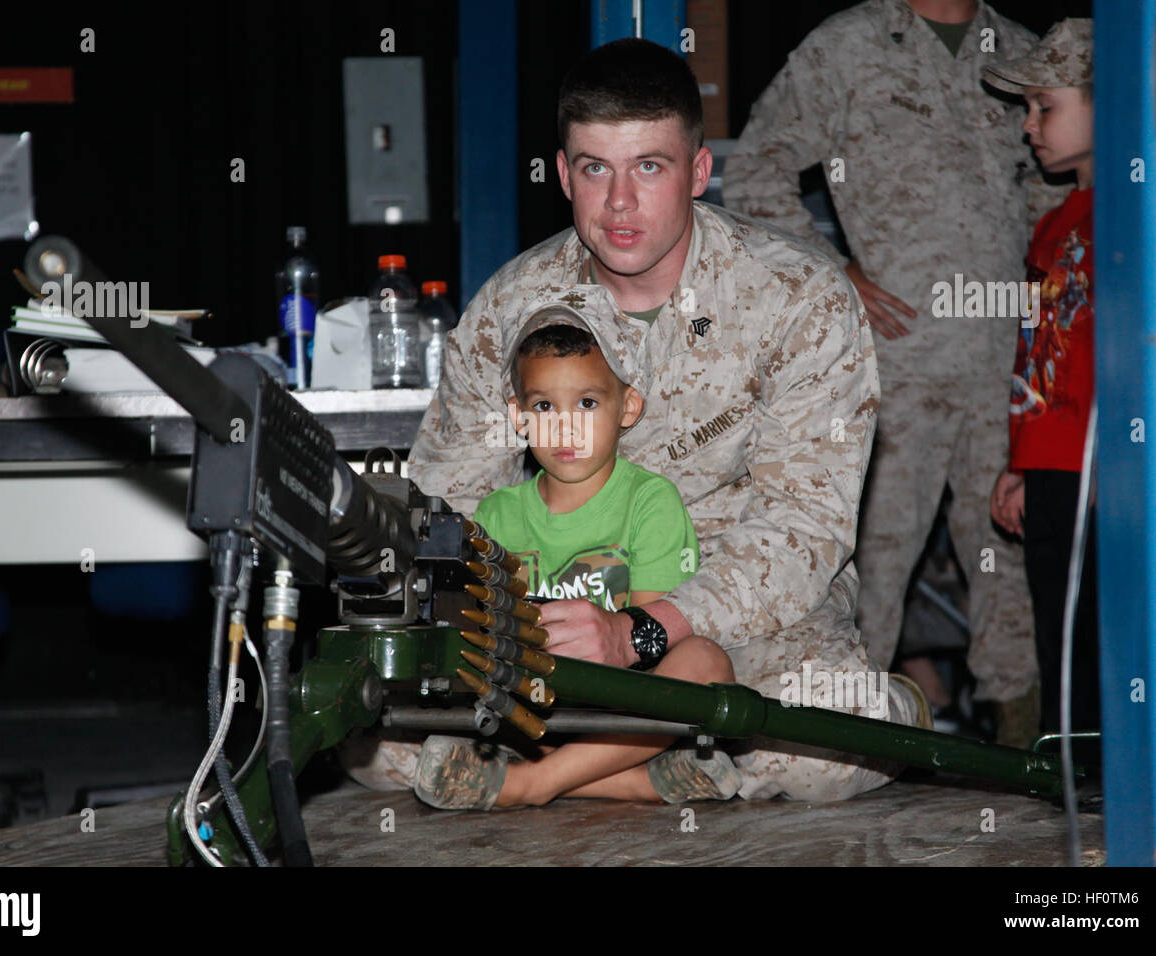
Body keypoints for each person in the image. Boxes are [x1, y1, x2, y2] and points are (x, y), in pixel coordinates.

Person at [340, 37, 930, 806]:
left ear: (698, 171)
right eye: (595, 168)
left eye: (649, 167)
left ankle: (551, 772)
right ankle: (656, 770)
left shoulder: (800, 299)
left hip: (734, 619)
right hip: (553, 614)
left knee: (822, 742)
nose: (620, 203)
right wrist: (507, 623)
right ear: (562, 174)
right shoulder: (509, 309)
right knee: (373, 741)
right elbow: (445, 505)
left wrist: (640, 632)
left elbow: (805, 527)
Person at [722, 0, 1069, 746]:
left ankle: (1030, 759)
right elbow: (754, 172)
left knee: (1013, 577)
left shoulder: (1020, 52)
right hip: (896, 369)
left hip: (1011, 370)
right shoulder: (848, 47)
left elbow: (1056, 197)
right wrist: (832, 275)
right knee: (868, 569)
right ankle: (836, 754)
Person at [413, 302, 739, 809]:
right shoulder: (497, 514)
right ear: (519, 417)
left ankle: (533, 784)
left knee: (706, 661)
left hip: (626, 708)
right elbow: (483, 634)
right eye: (545, 408)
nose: (565, 428)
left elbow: (648, 639)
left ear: (627, 408)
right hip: (530, 704)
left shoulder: (650, 500)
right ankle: (631, 782)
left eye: (587, 403)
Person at [984, 20, 1099, 743]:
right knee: (1058, 618)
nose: (1029, 127)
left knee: (1103, 622)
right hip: (1052, 460)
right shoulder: (1054, 224)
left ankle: (1118, 767)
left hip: (1108, 461)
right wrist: (1019, 462)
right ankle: (1068, 761)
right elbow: (1038, 352)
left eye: (1044, 107)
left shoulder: (1146, 211)